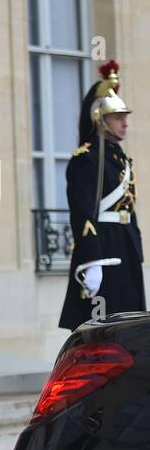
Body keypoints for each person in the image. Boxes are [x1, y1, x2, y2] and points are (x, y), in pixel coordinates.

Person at [59, 60, 143, 330]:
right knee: (102, 329)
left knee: (130, 326)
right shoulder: (87, 158)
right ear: (100, 118)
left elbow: (129, 208)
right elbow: (82, 212)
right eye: (118, 117)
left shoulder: (120, 158)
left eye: (125, 117)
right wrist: (91, 260)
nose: (125, 123)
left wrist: (137, 250)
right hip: (103, 249)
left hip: (124, 245)